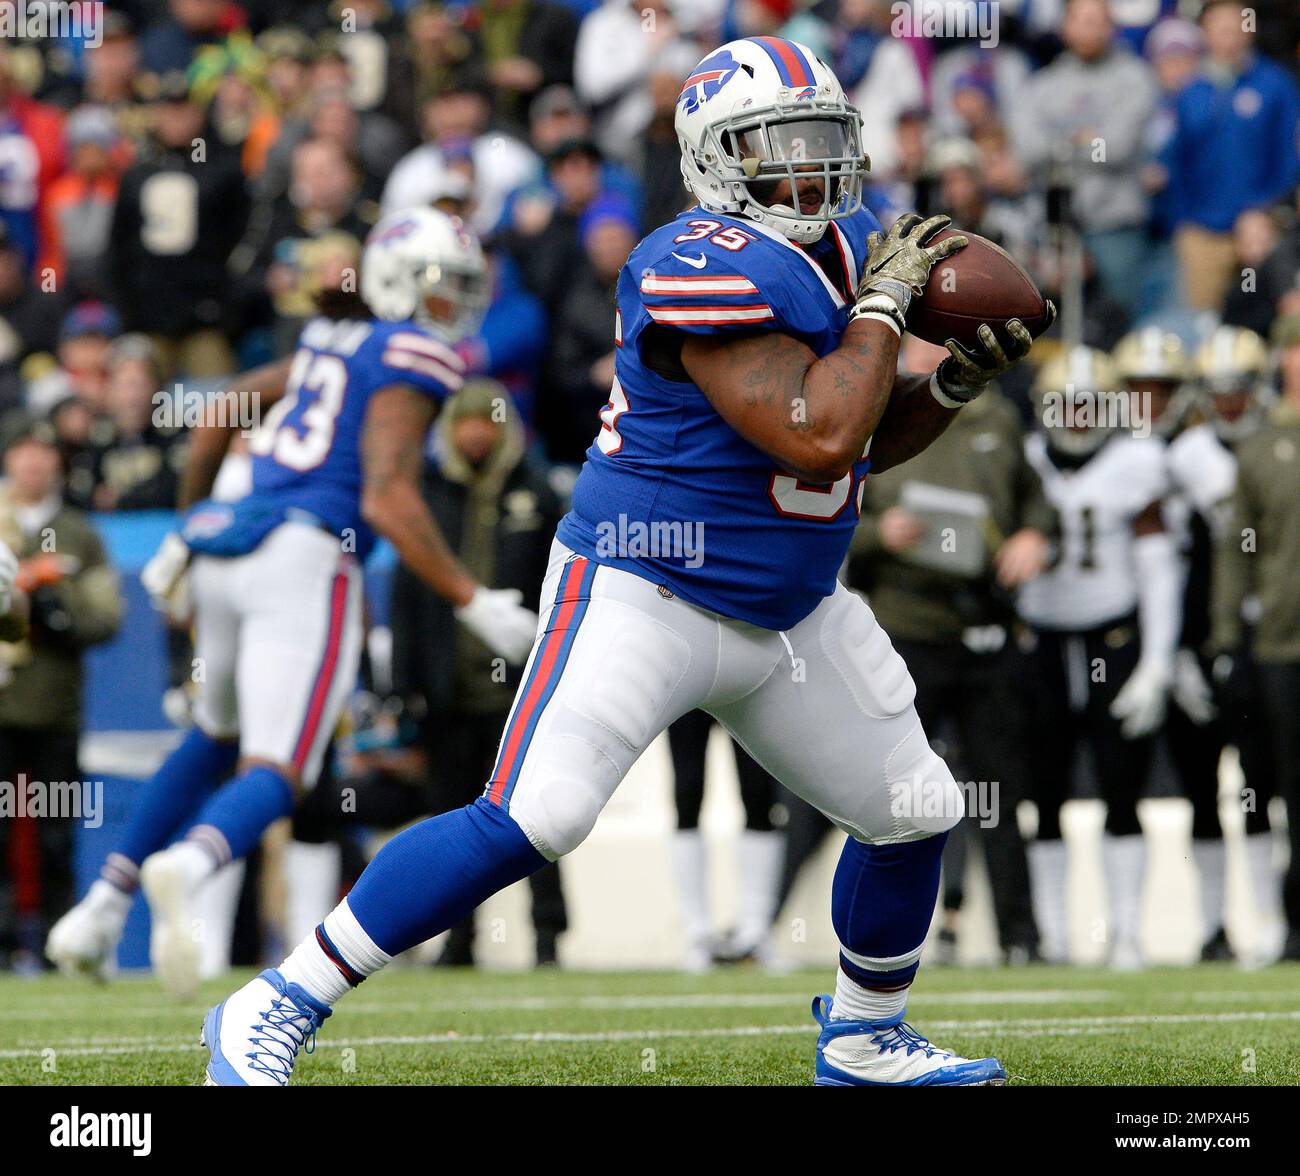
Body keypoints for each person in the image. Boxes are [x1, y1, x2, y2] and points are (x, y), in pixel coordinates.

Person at [201, 36, 1051, 1087]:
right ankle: (275, 1002)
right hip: (646, 588)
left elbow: (859, 441)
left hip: (788, 608)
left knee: (914, 807)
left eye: (824, 140)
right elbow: (816, 432)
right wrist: (883, 312)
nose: (811, 167)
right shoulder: (692, 259)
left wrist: (956, 381)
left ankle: (867, 1037)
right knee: (536, 815)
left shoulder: (847, 243)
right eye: (778, 145)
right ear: (711, 159)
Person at [45, 208, 541, 994]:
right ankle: (192, 861)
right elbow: (384, 497)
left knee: (214, 733)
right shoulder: (410, 352)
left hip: (226, 545)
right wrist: (474, 599)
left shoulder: (326, 338)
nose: (453, 307)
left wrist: (189, 524)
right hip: (306, 554)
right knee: (285, 764)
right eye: (441, 288)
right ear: (394, 279)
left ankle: (101, 906)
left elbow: (218, 415)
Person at [850, 335, 1052, 966]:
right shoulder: (872, 418)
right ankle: (871, 941)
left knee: (997, 795)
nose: (931, 354)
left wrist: (1033, 535)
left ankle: (1021, 938)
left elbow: (1038, 501)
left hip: (983, 627)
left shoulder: (994, 417)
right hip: (904, 632)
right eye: (919, 346)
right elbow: (823, 524)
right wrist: (879, 535)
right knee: (886, 795)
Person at [389, 379, 569, 968]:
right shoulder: (430, 493)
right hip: (450, 692)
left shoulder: (535, 493)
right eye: (464, 421)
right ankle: (459, 939)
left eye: (484, 422)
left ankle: (546, 936)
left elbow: (563, 586)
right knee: (453, 823)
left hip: (521, 689)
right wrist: (404, 686)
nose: (474, 433)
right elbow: (408, 596)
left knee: (536, 819)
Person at [1018, 346, 1178, 969]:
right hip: (1042, 641)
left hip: (1114, 637)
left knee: (1121, 788)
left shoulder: (1139, 462)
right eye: (1065, 405)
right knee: (1047, 792)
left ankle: (1129, 934)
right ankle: (1055, 935)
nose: (1078, 417)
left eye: (1088, 405)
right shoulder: (1027, 459)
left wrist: (1158, 662)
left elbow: (1159, 569)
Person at [1113, 327, 1237, 959]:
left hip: (1201, 635)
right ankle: (1125, 934)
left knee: (1210, 785)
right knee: (1122, 784)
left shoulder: (1199, 452)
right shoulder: (1104, 450)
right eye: (1137, 389)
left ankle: (1221, 927)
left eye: (1159, 390)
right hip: (1117, 637)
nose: (1148, 402)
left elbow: (1229, 545)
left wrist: (1191, 647)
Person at [0, 416, 123, 972]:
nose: (33, 463)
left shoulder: (79, 533)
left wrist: (55, 606)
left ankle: (56, 947)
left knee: (55, 837)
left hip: (54, 707)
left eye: (43, 454)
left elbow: (106, 618)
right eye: (23, 452)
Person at [1207, 321, 1295, 961]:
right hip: (1282, 646)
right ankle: (1286, 922)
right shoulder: (1262, 449)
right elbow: (1236, 551)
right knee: (1278, 783)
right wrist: (1226, 639)